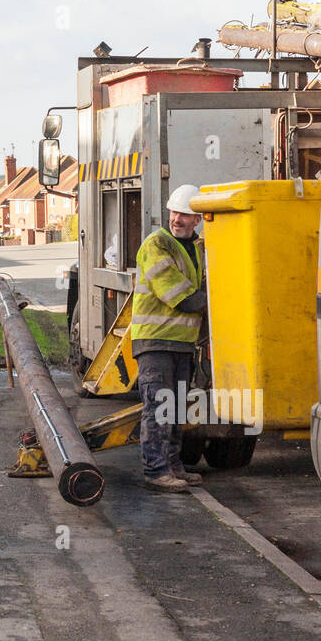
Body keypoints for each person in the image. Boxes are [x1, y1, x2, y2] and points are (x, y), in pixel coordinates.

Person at [131, 184, 206, 494]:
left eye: (185, 215)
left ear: (197, 219)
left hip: (181, 343)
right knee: (159, 407)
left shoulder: (196, 248)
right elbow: (179, 296)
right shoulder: (156, 245)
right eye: (174, 212)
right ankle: (156, 470)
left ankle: (173, 466)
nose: (177, 219)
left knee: (174, 408)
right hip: (155, 341)